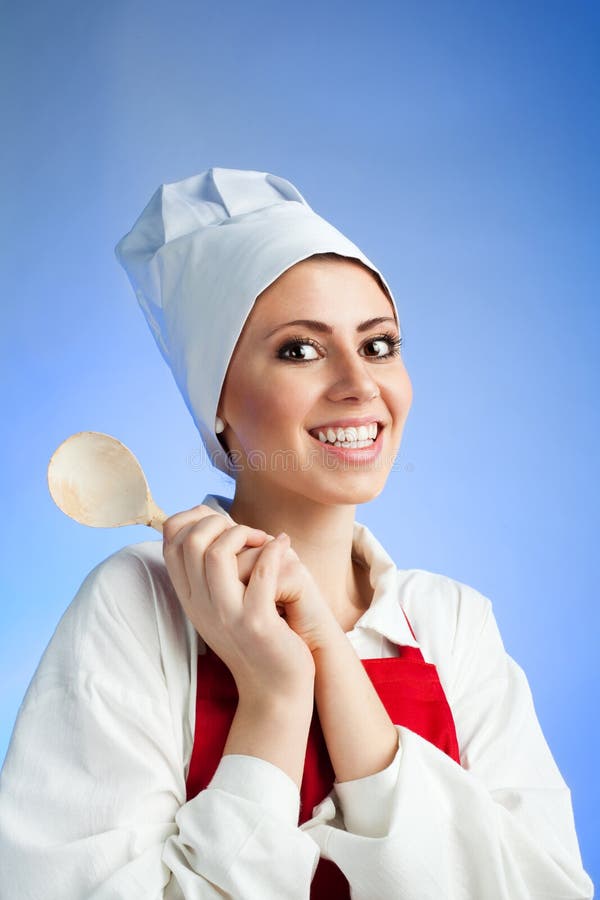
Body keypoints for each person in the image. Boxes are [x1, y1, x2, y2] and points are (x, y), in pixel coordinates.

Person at [0, 167, 593, 899]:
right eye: (300, 350)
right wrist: (275, 698)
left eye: (379, 345)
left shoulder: (453, 622)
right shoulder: (138, 604)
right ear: (216, 399)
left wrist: (331, 666)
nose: (359, 384)